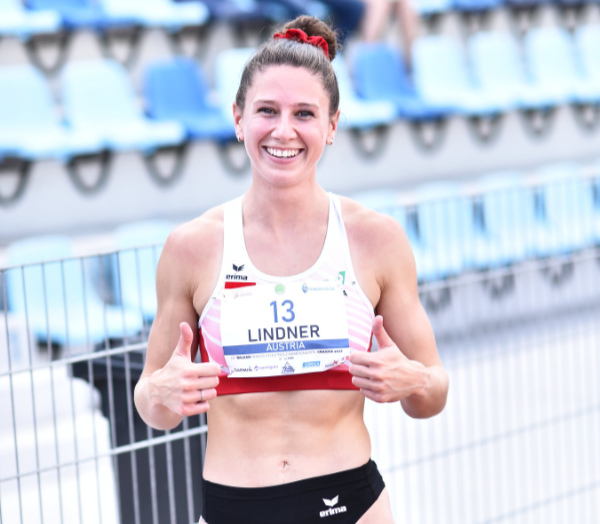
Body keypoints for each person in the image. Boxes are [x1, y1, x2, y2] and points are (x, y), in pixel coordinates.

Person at [134, 15, 449, 524]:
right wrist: (160, 391)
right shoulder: (192, 247)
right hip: (234, 507)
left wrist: (411, 380)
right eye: (267, 111)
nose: (284, 131)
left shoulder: (376, 239)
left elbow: (433, 392)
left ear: (332, 126)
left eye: (304, 113)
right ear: (238, 119)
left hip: (351, 503)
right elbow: (155, 407)